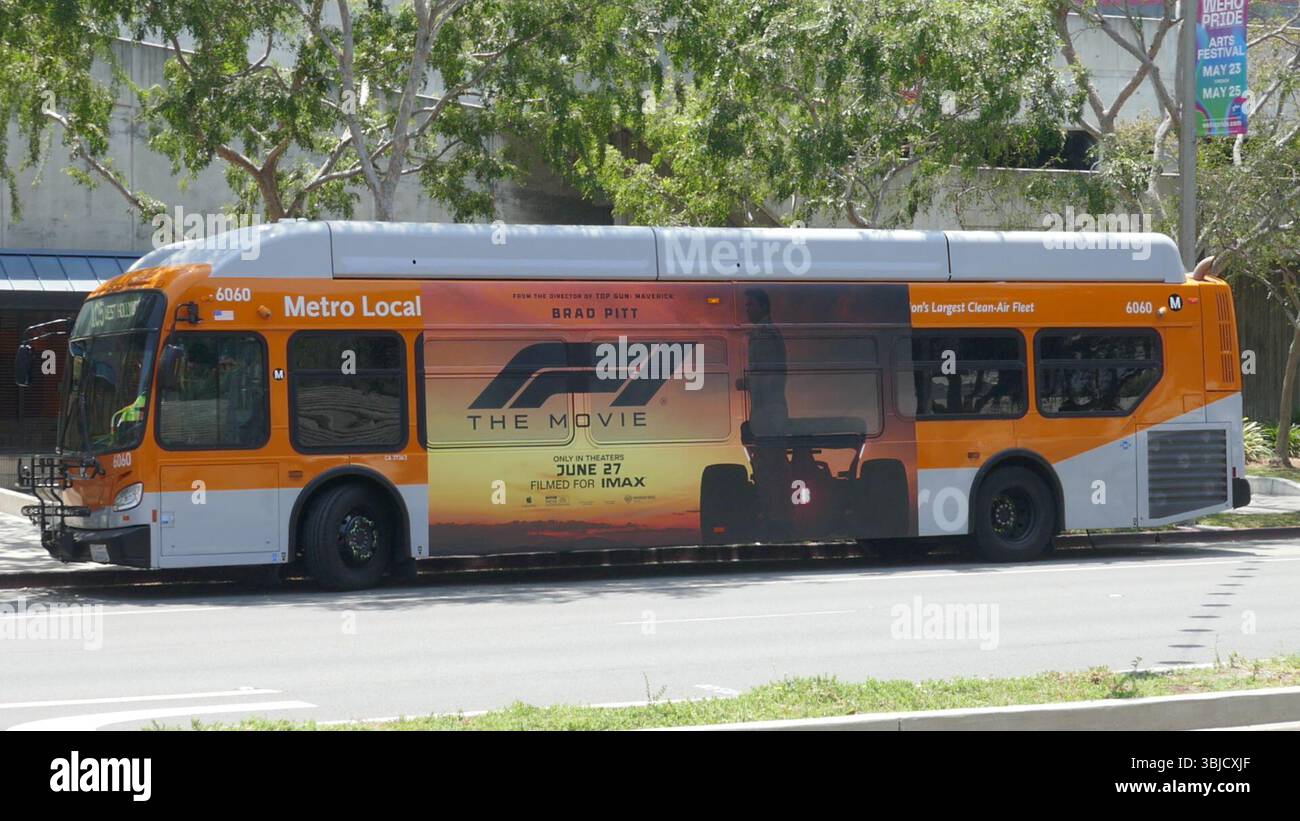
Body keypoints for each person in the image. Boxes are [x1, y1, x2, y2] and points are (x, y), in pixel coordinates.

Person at [739, 289, 793, 540]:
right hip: (767, 409)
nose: (746, 310)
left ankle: (778, 521)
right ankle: (777, 518)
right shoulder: (765, 333)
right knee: (769, 466)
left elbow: (769, 375)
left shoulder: (765, 334)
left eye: (750, 305)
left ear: (762, 305)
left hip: (768, 411)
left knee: (771, 468)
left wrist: (747, 384)